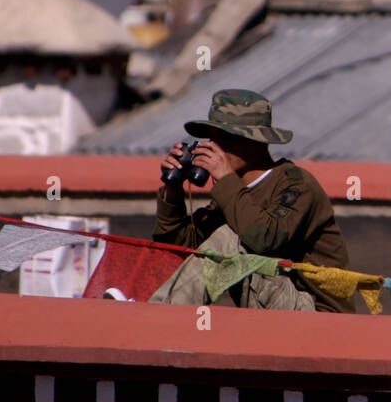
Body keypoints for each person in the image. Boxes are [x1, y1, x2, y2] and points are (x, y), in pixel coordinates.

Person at [148, 88, 353, 311]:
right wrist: (173, 190)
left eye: (225, 140)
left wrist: (226, 180)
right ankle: (156, 308)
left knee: (230, 235)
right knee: (223, 236)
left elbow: (264, 239)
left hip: (317, 313)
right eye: (212, 139)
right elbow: (178, 248)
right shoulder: (233, 193)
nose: (215, 149)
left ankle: (161, 315)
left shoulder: (297, 184)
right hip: (269, 307)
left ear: (255, 141)